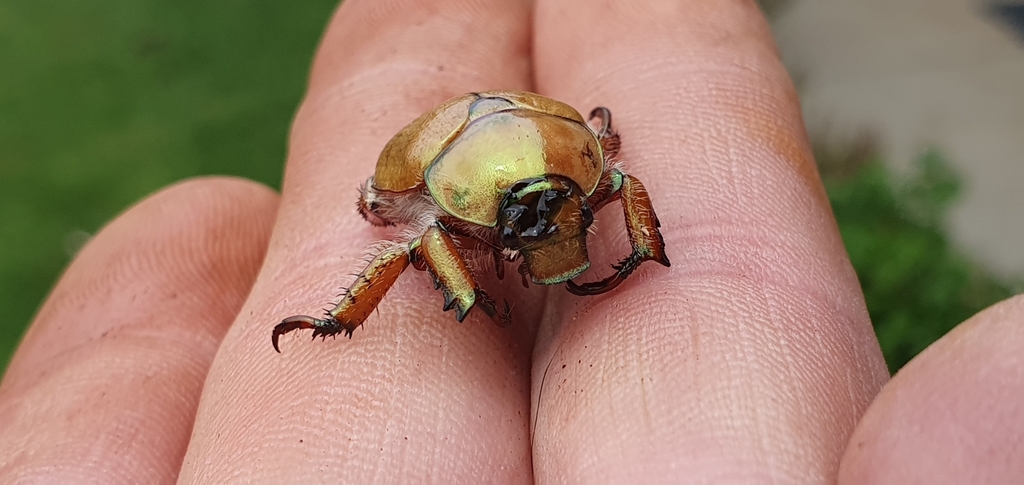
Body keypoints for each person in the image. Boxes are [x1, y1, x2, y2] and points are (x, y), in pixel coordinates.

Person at [1, 0, 1021, 482]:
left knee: (601, 185)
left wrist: (636, 243)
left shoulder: (588, 167)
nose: (553, 227)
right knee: (406, 250)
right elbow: (408, 228)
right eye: (534, 219)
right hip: (446, 174)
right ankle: (408, 304)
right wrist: (465, 286)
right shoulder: (448, 206)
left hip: (527, 137)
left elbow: (614, 174)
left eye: (558, 210)